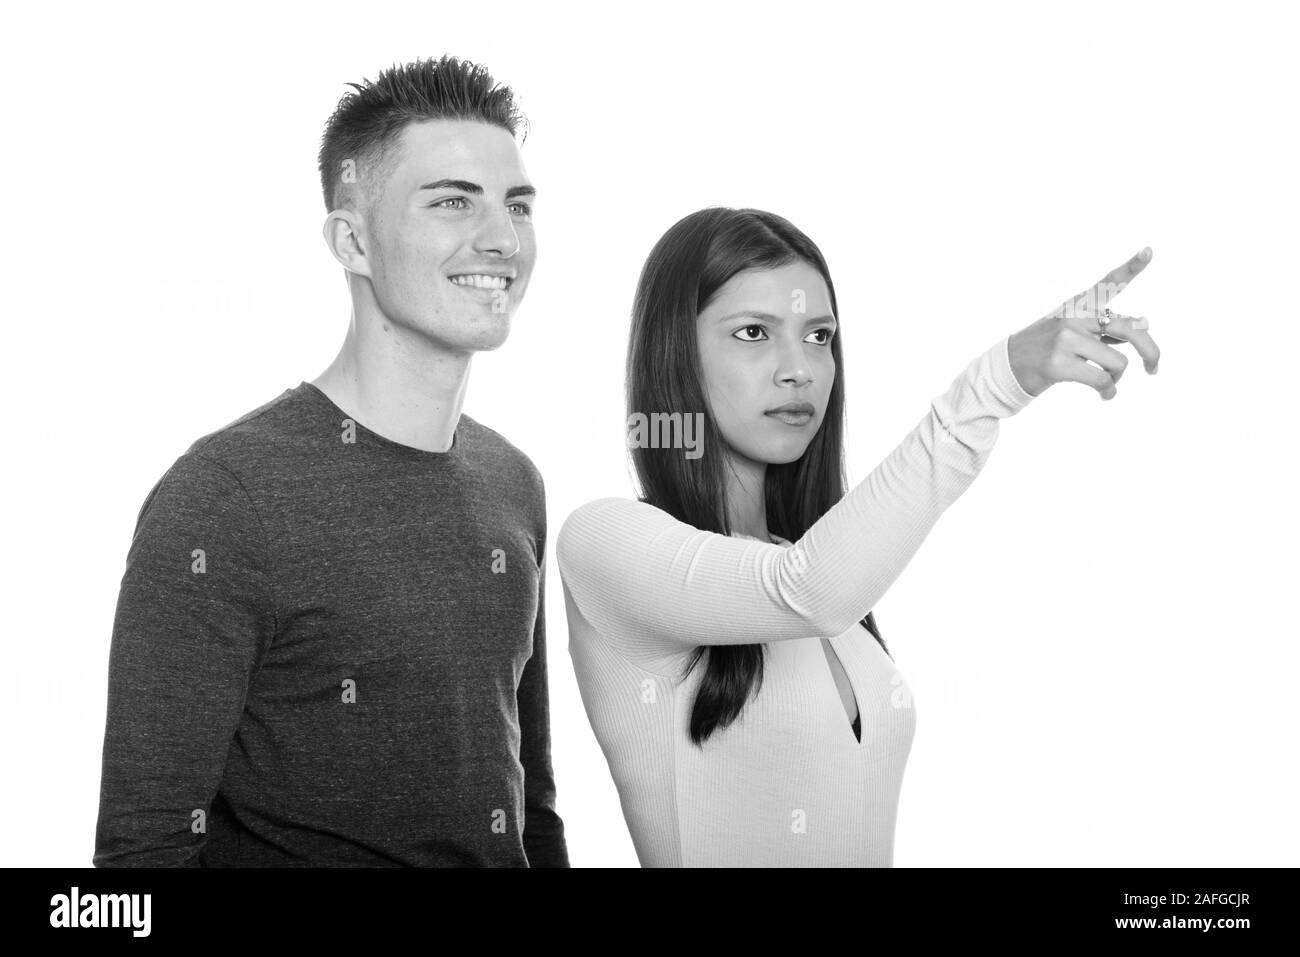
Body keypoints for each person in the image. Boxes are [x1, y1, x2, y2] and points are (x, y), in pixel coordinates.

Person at [556, 207, 1158, 867]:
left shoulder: (816, 558)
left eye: (819, 336)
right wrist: (995, 383)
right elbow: (808, 591)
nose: (800, 369)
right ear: (675, 351)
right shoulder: (604, 540)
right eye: (754, 332)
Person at [94, 55, 568, 867]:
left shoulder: (512, 482)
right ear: (352, 239)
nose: (501, 238)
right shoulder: (224, 499)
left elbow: (531, 808)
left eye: (517, 205)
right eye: (453, 200)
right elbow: (143, 856)